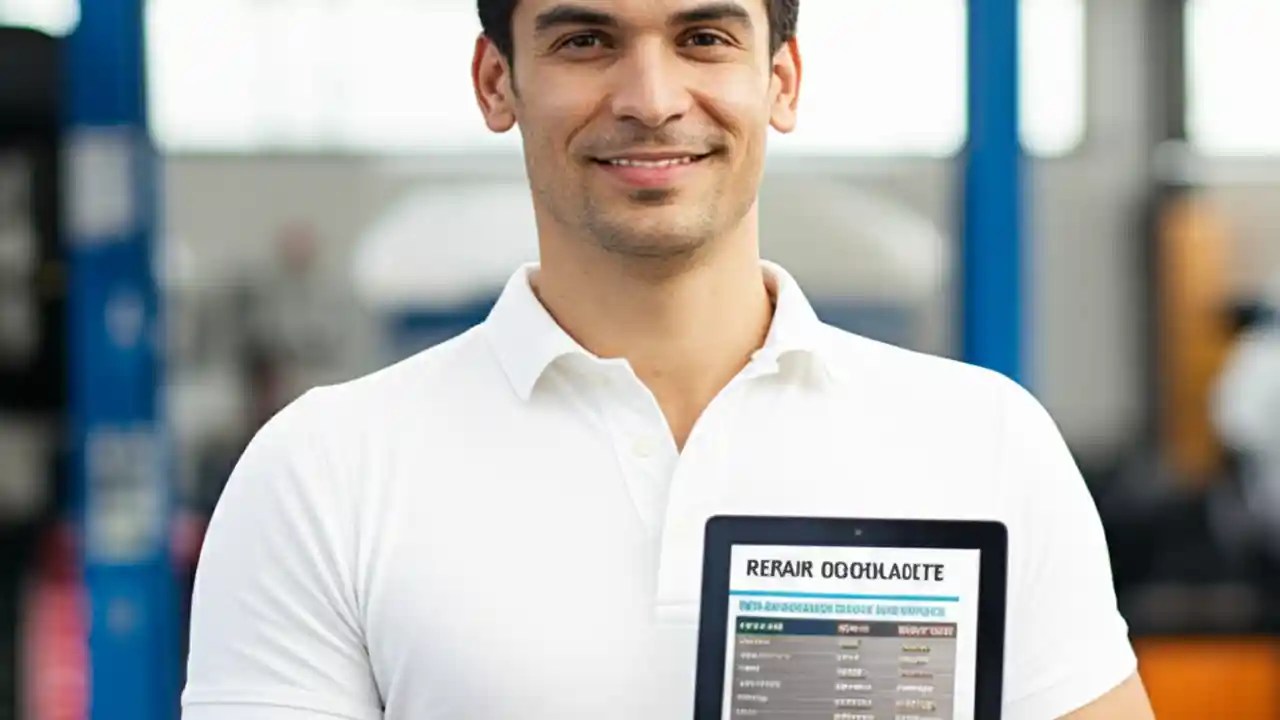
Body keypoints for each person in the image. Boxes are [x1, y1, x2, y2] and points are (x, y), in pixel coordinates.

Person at [181, 1, 1156, 718]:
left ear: (780, 80)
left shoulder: (980, 442)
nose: (650, 101)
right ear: (494, 81)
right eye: (584, 40)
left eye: (703, 38)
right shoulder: (324, 471)